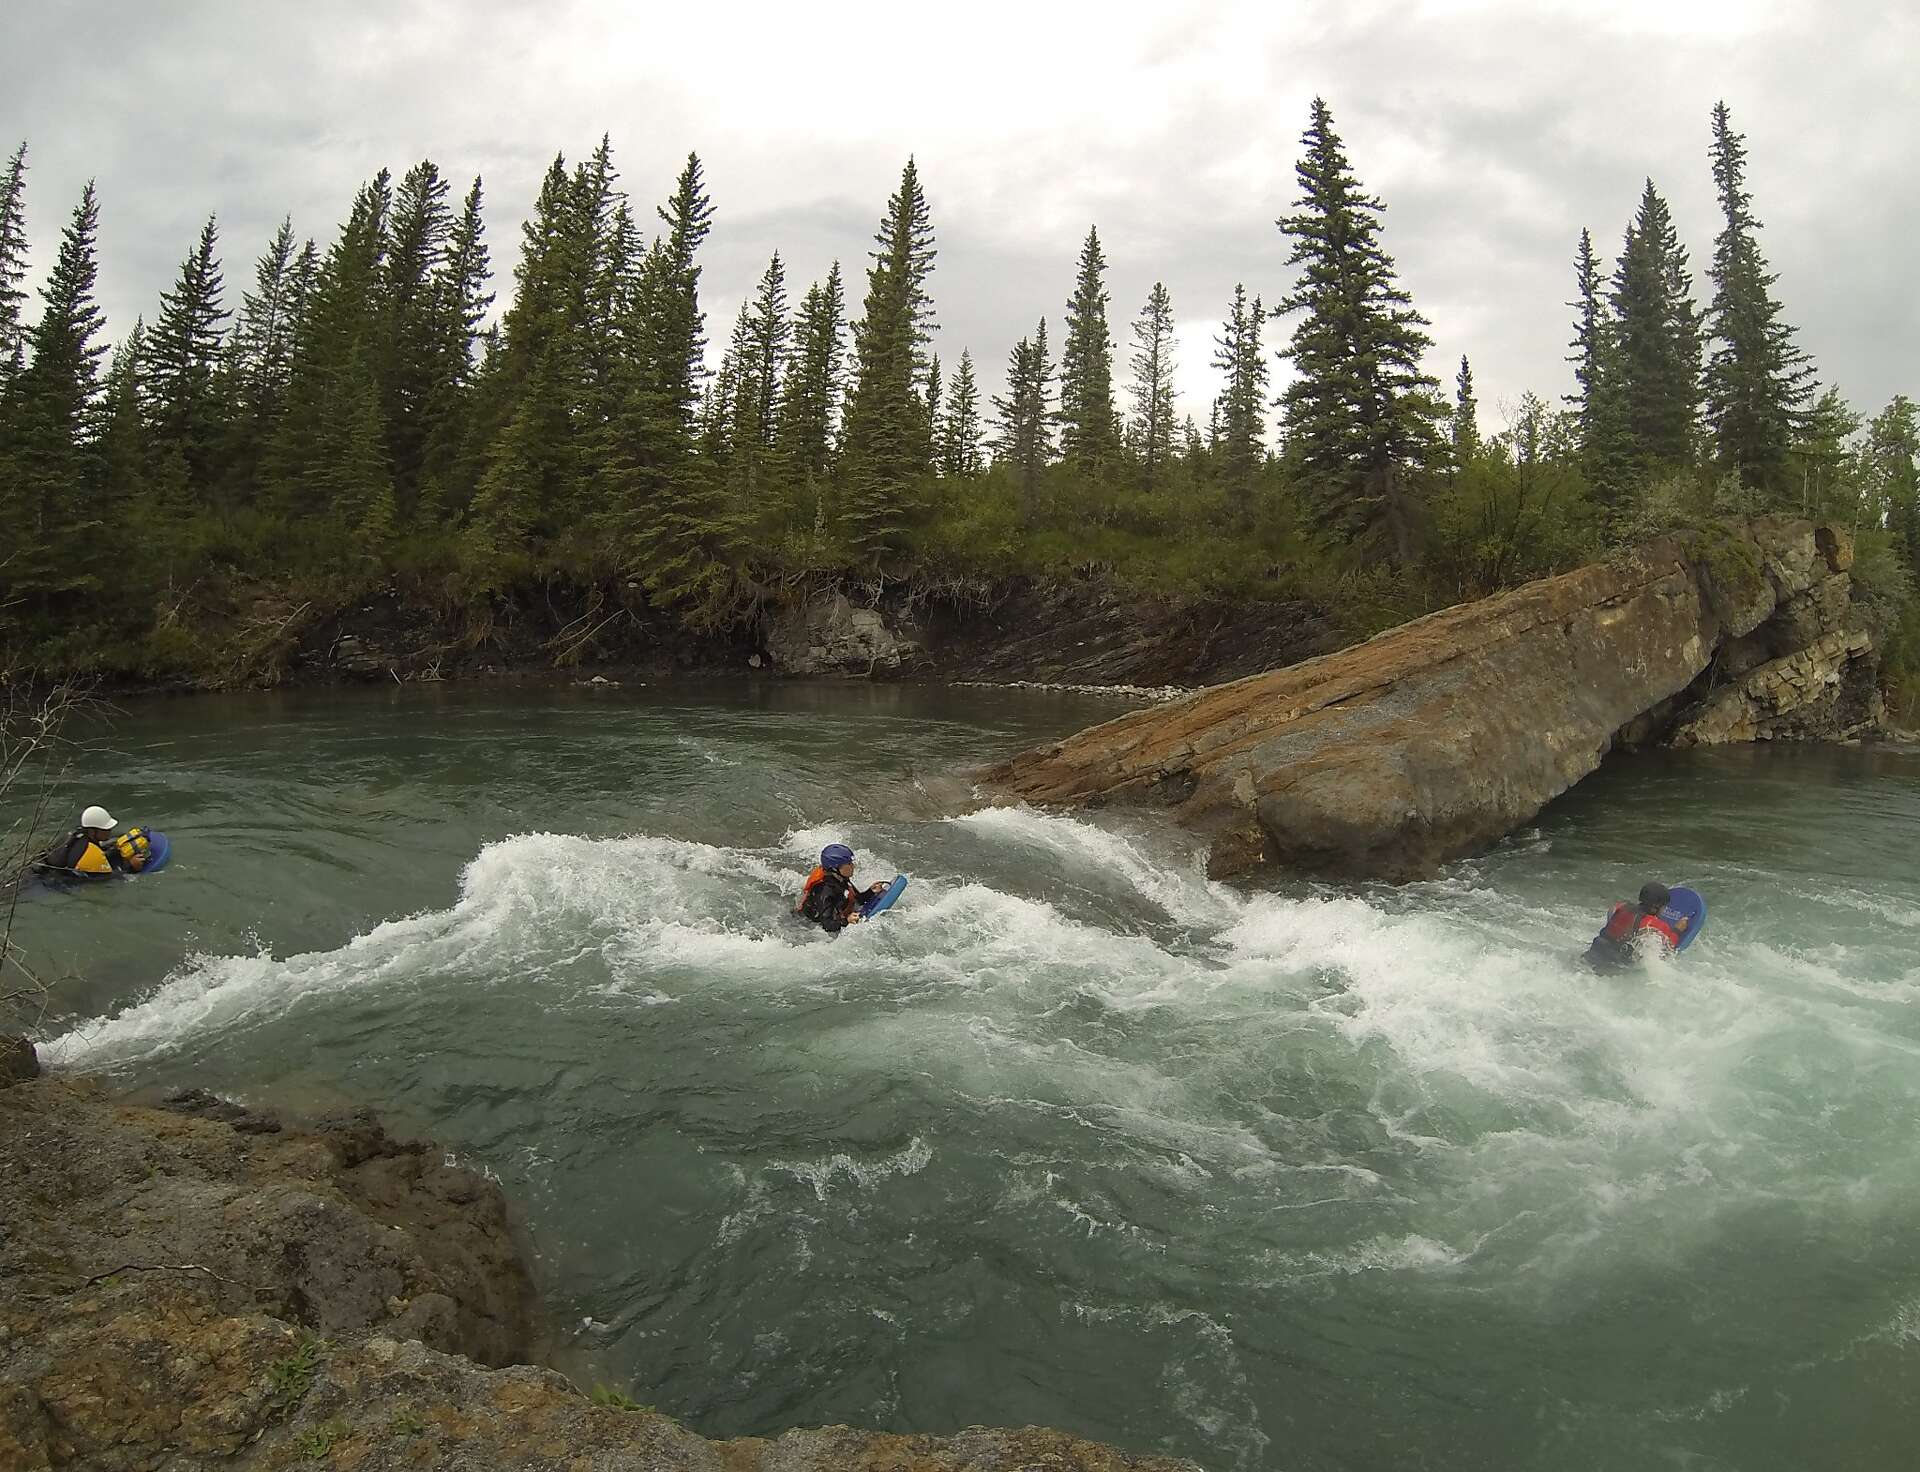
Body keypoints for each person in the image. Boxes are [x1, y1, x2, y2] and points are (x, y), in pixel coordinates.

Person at [1585, 881, 1688, 971]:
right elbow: (1667, 950)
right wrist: (1677, 930)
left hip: (1593, 954)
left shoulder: (1620, 906)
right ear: (1655, 908)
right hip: (1613, 966)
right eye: (1664, 907)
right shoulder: (1652, 924)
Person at [795, 843, 888, 935]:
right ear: (835, 868)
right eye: (849, 864)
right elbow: (827, 925)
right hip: (808, 927)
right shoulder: (825, 890)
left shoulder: (840, 879)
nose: (853, 866)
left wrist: (871, 892)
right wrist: (846, 921)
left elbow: (856, 899)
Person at [36, 805, 150, 880]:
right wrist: (131, 866)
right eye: (105, 829)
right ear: (92, 831)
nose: (109, 831)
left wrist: (116, 850)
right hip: (51, 883)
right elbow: (109, 879)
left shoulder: (75, 835)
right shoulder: (90, 853)